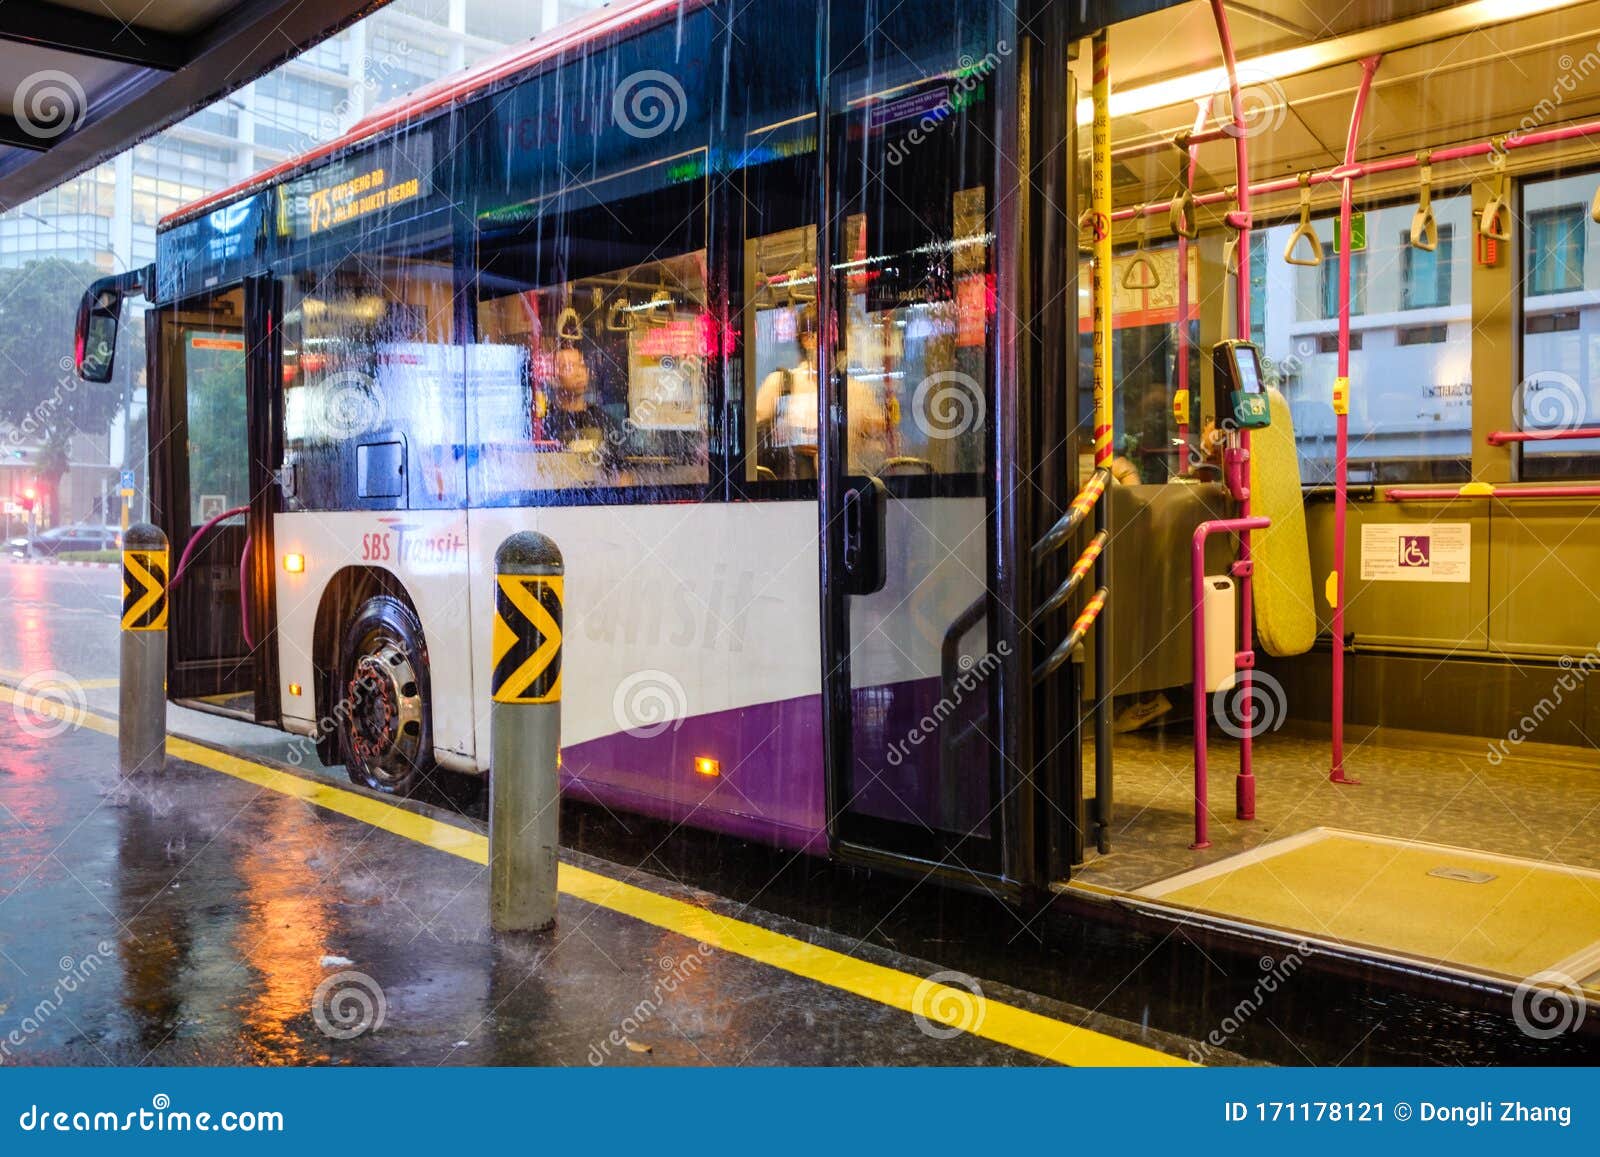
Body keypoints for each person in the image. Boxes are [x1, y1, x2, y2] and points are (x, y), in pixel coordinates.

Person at [754, 303, 888, 478]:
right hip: (790, 496)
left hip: (844, 494)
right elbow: (752, 443)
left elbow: (878, 453)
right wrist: (789, 444)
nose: (841, 341)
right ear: (807, 339)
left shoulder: (859, 392)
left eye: (844, 333)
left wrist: (871, 436)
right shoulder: (779, 385)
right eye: (834, 333)